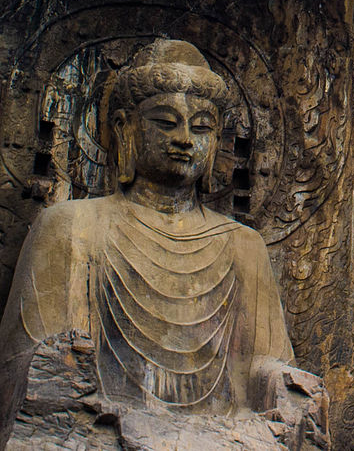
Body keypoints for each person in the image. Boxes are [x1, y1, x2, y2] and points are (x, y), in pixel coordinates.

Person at [0, 39, 324, 446]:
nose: (186, 138)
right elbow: (32, 366)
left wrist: (286, 384)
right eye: (166, 122)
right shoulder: (70, 227)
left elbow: (261, 366)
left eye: (202, 126)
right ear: (124, 129)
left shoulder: (244, 245)